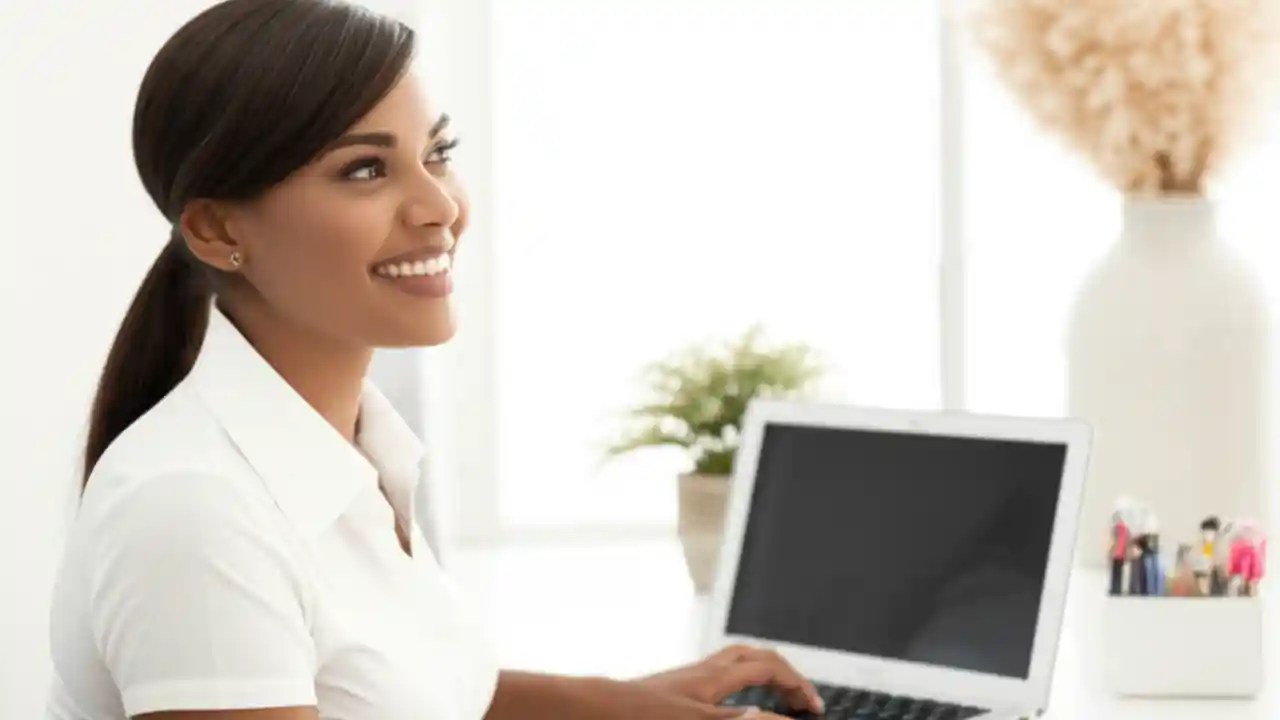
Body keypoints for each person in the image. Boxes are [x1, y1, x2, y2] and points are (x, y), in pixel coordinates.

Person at [44, 2, 825, 719]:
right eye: (365, 170)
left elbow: (410, 695)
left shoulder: (353, 452)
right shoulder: (196, 507)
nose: (440, 206)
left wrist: (630, 705)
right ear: (216, 231)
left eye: (437, 153)